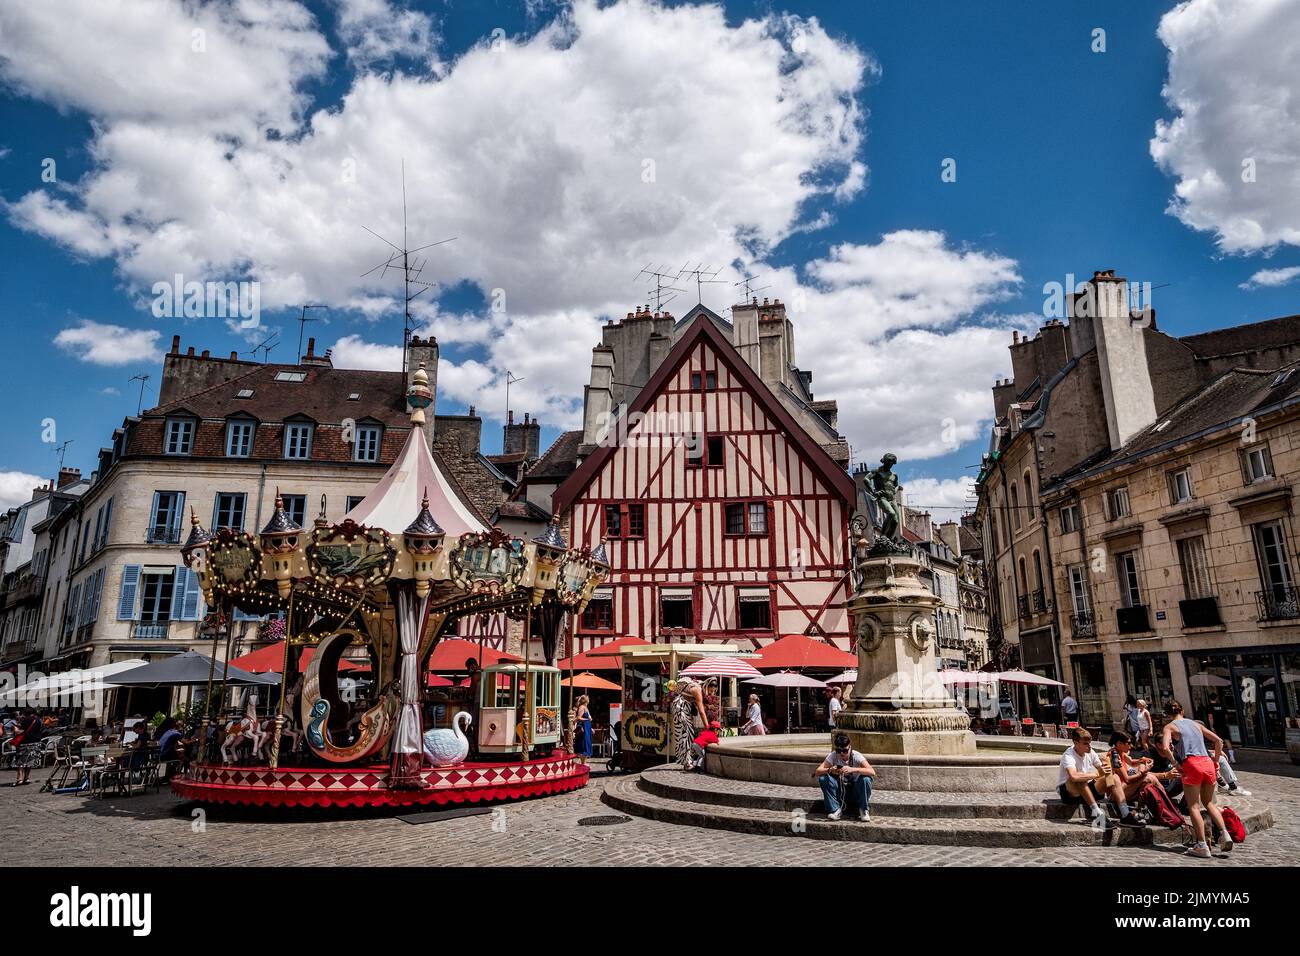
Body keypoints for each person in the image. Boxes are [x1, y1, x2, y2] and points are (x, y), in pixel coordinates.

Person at [1157, 700, 1233, 858]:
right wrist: (1216, 762)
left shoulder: (1169, 727)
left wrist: (1176, 764)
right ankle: (1225, 834)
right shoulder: (1195, 724)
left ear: (1167, 714)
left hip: (1191, 764)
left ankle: (1202, 845)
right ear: (1182, 710)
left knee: (1194, 807)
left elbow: (1165, 747)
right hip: (1207, 762)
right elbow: (1218, 741)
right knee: (1209, 803)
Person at [1057, 727, 1133, 829]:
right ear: (1076, 743)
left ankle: (1125, 814)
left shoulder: (1090, 752)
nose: (1089, 746)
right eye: (1085, 744)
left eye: (1090, 743)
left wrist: (1111, 767)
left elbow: (1103, 770)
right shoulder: (1068, 755)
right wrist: (1097, 774)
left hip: (1086, 791)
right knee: (1080, 778)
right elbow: (1074, 776)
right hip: (1070, 794)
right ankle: (1098, 815)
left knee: (1113, 777)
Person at [814, 732, 876, 821]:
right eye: (839, 751)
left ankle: (863, 809)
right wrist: (830, 770)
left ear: (850, 747)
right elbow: (817, 771)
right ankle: (835, 810)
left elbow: (872, 772)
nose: (841, 753)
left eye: (845, 751)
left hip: (855, 791)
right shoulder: (833, 755)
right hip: (840, 791)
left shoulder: (856, 756)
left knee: (866, 779)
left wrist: (853, 769)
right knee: (823, 778)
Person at [9, 708, 44, 786]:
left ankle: (19, 779)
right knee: (29, 762)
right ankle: (26, 778)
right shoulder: (38, 720)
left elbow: (19, 731)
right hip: (36, 743)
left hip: (25, 743)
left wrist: (15, 728)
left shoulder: (26, 720)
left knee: (20, 762)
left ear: (25, 713)